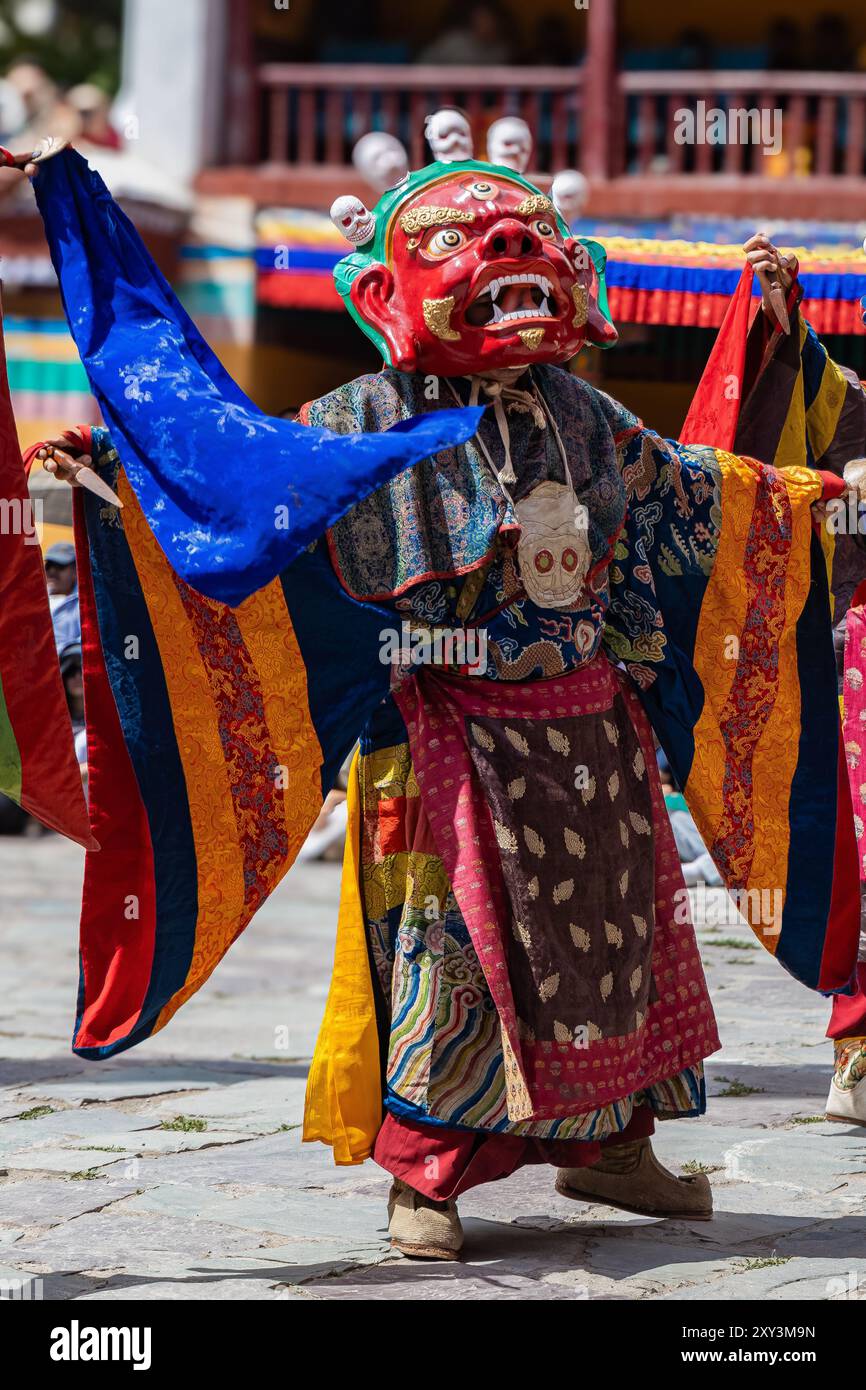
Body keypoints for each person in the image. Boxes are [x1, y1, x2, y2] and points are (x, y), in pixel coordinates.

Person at [24, 147, 859, 1262]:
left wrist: (801, 497)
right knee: (445, 957)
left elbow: (687, 492)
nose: (507, 257)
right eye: (457, 243)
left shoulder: (587, 415)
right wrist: (122, 487)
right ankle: (428, 1174)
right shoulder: (364, 413)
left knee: (624, 943)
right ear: (382, 292)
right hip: (444, 738)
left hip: (594, 735)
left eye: (525, 236)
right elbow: (252, 490)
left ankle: (610, 1145)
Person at [44, 540, 80, 653]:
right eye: (48, 566)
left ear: (76, 571)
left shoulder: (84, 605)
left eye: (60, 566)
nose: (52, 572)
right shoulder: (33, 600)